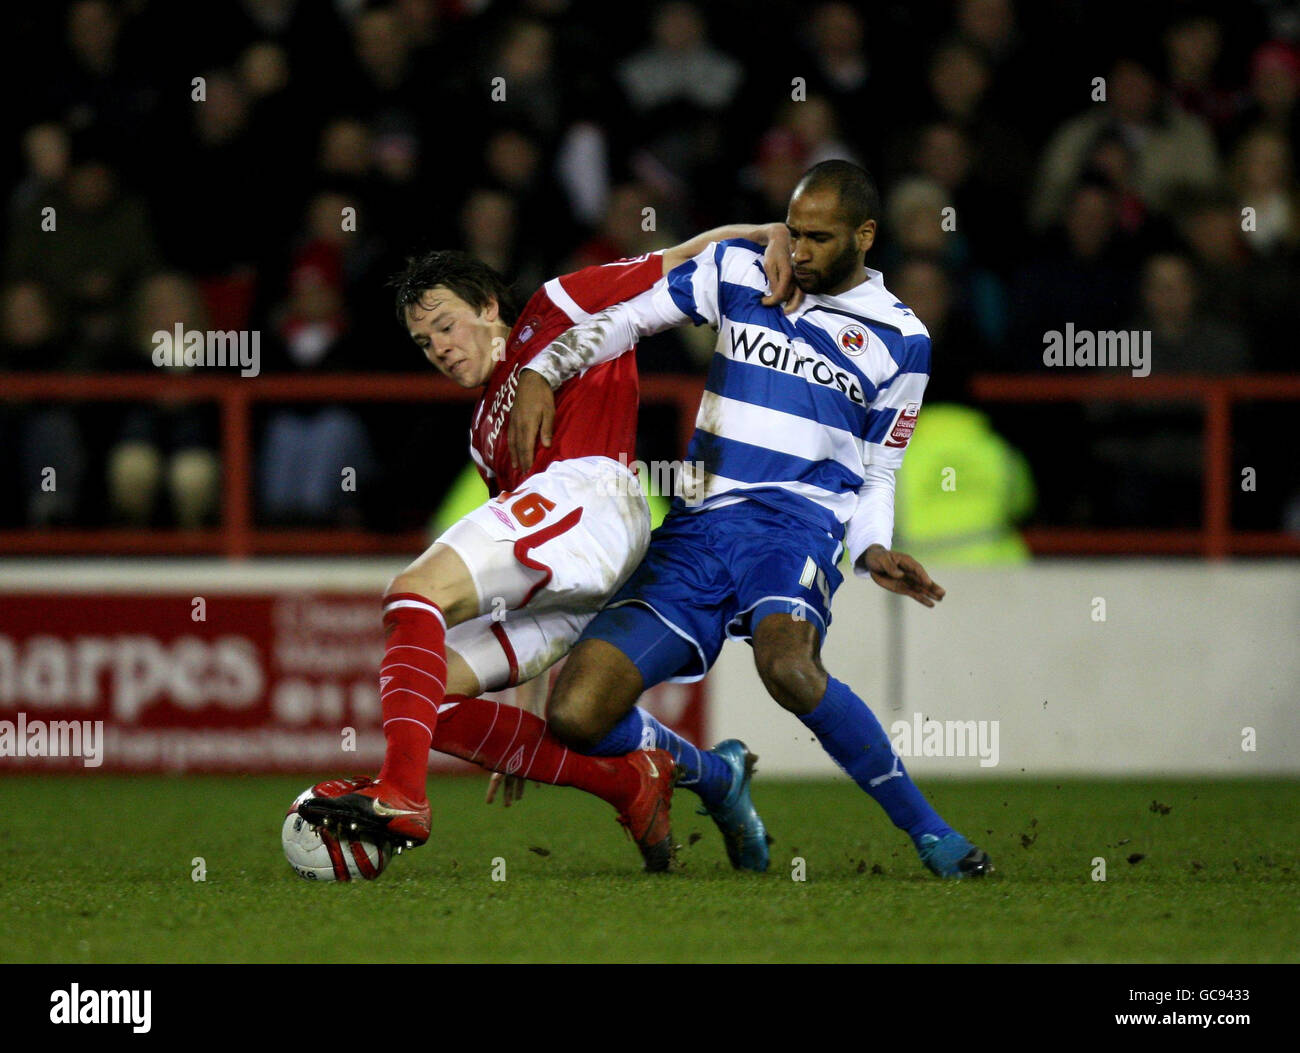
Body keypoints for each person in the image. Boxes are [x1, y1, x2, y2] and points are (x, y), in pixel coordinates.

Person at [509, 160, 992, 878]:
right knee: (575, 714)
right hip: (699, 526)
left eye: (820, 239)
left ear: (865, 235)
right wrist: (543, 371)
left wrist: (872, 548)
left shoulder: (902, 338)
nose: (799, 252)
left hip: (796, 527)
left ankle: (932, 833)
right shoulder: (742, 269)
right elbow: (630, 317)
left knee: (789, 667)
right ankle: (714, 775)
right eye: (793, 233)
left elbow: (879, 467)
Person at [298, 221, 794, 872]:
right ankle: (631, 781)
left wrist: (770, 231)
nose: (439, 348)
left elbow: (682, 256)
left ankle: (401, 795)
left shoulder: (557, 304)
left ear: (487, 307)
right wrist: (519, 714)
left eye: (446, 325)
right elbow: (524, 557)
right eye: (424, 342)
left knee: (414, 593)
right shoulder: (482, 433)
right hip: (573, 552)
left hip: (596, 494)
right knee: (424, 688)